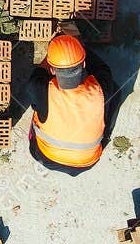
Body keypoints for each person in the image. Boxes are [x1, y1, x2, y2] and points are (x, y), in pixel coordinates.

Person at [24, 33, 108, 174]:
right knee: (112, 96)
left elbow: (40, 72)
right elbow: (102, 69)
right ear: (84, 63)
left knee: (39, 108)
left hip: (46, 158)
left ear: (52, 69)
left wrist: (57, 44)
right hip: (87, 162)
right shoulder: (101, 88)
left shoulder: (38, 87)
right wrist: (77, 44)